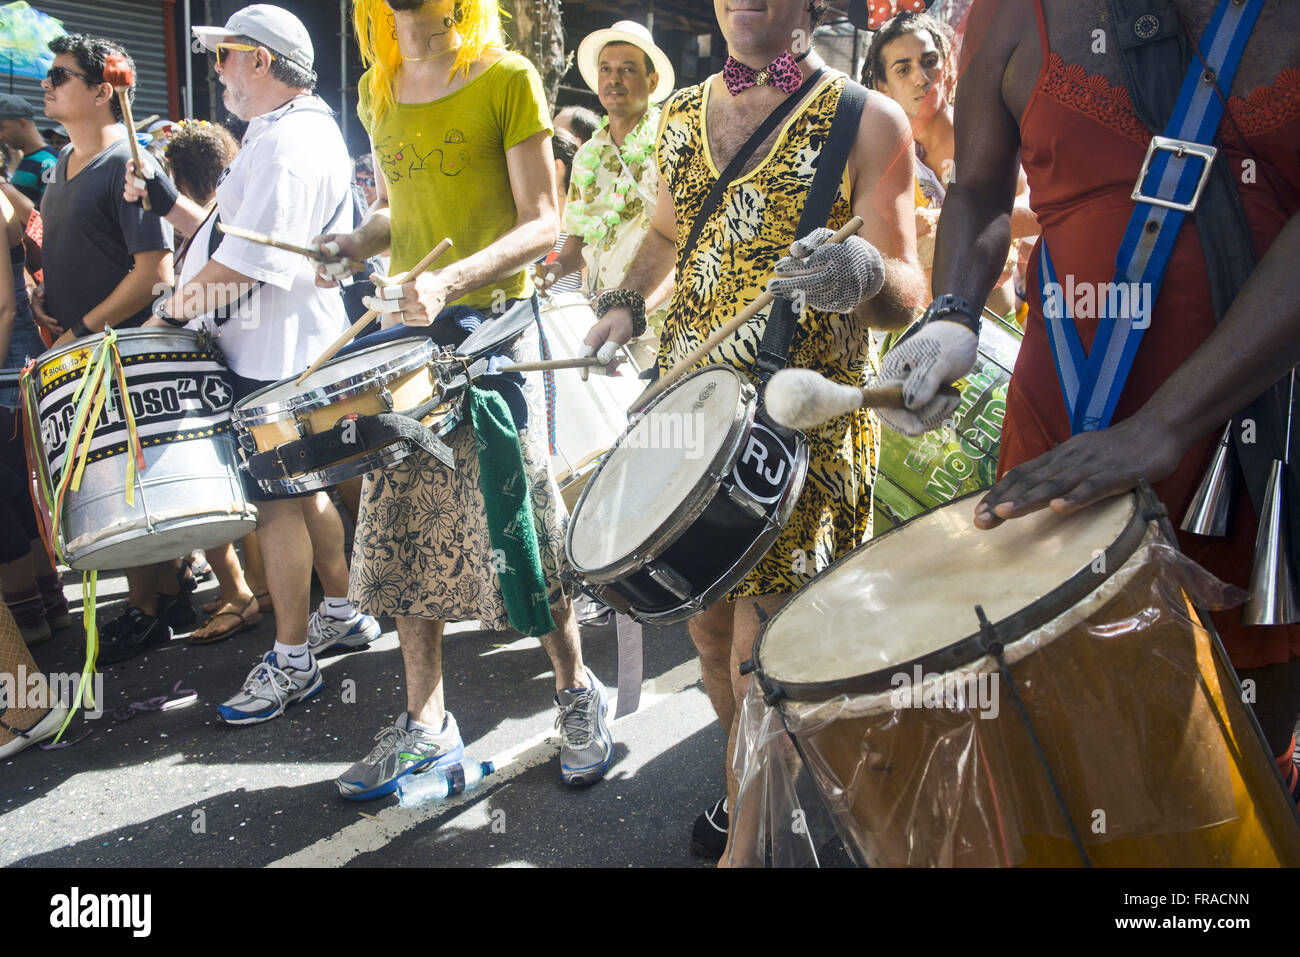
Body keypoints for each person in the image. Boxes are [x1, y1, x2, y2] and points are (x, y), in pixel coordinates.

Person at [881, 0, 1300, 791]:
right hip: (1065, 426)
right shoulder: (1008, 14)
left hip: (1256, 434)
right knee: (1070, 728)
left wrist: (1167, 423)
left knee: (1242, 751)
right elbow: (975, 189)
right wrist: (952, 314)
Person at [582, 0, 927, 861]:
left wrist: (860, 273)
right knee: (706, 632)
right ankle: (753, 790)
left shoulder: (869, 118)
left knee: (759, 650)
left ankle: (753, 842)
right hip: (691, 417)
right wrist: (627, 299)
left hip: (796, 419)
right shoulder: (683, 112)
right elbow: (665, 232)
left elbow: (909, 289)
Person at [312, 0, 612, 799]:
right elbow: (400, 210)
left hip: (490, 336)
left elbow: (543, 220)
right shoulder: (377, 88)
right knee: (403, 528)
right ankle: (426, 725)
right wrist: (356, 241)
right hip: (403, 348)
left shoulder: (508, 78)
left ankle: (578, 692)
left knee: (520, 524)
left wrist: (450, 277)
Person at [125, 4, 381, 712]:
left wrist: (169, 308)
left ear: (261, 61)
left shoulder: (288, 143)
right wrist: (168, 203)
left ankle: (293, 657)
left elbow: (248, 268)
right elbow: (235, 240)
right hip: (281, 346)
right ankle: (342, 611)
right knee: (303, 491)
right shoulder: (281, 134)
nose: (219, 73)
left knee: (274, 505)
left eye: (224, 57)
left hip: (275, 353)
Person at [32, 34, 192, 664]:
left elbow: (154, 273)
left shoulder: (130, 163)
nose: (48, 84)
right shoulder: (59, 165)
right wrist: (48, 295)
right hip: (81, 350)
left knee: (130, 485)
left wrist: (86, 326)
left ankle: (149, 610)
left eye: (61, 75)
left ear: (104, 91)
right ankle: (166, 599)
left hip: (119, 353)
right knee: (112, 482)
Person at [863, 10, 1036, 321]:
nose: (921, 78)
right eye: (903, 69)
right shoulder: (884, 157)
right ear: (882, 85)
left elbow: (1040, 210)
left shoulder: (990, 130)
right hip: (922, 335)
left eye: (930, 61)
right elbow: (874, 258)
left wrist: (952, 219)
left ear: (947, 63)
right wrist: (903, 236)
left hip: (1003, 332)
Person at [536, 21, 674, 346]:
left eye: (627, 70)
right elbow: (578, 242)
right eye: (606, 69)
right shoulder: (586, 157)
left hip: (656, 324)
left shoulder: (670, 143)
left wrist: (634, 308)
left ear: (652, 81)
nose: (614, 79)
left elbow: (682, 244)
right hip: (595, 318)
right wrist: (554, 270)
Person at [0, 183, 69, 647]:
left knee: (10, 490)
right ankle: (44, 606)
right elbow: (35, 225)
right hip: (15, 360)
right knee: (16, 488)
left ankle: (27, 618)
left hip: (7, 363)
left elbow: (4, 306)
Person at [0, 95, 58, 206]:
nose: (0, 136)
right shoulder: (26, 159)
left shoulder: (49, 162)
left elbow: (45, 216)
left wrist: (5, 187)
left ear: (22, 123)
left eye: (2, 128)